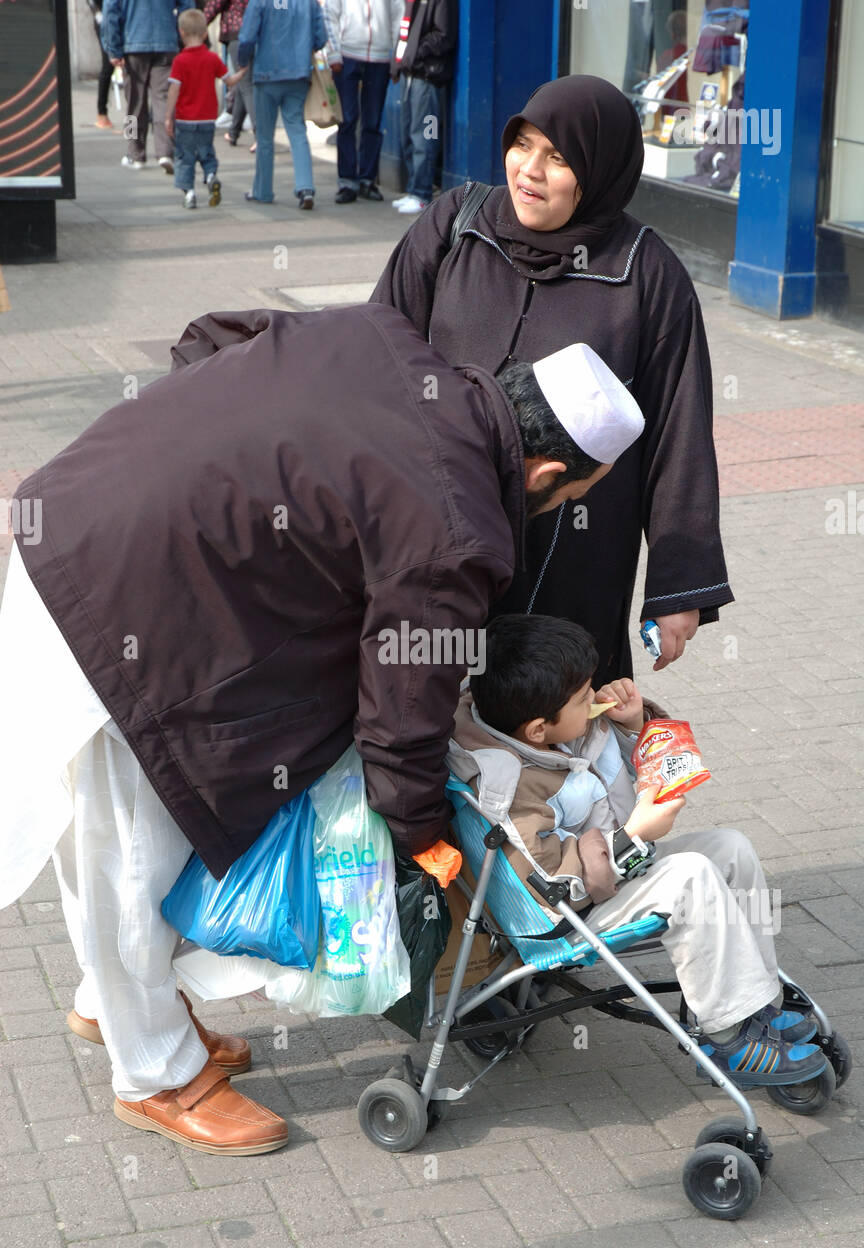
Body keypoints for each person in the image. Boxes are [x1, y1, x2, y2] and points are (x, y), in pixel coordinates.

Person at [0, 323, 638, 1156]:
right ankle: (154, 1072)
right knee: (128, 842)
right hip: (110, 602)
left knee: (150, 829)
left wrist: (198, 458)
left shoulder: (392, 342)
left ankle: (113, 1001)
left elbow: (211, 337)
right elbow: (403, 715)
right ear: (547, 472)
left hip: (87, 508)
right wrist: (424, 838)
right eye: (569, 497)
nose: (558, 511)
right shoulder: (457, 525)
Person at [371, 75, 734, 687]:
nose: (528, 171)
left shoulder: (646, 275)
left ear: (599, 169)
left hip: (577, 548)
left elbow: (681, 433)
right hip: (439, 535)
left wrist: (679, 586)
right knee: (429, 708)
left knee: (556, 721)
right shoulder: (455, 226)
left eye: (558, 157)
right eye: (522, 145)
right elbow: (377, 357)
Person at [451, 611, 827, 1088]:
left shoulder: (541, 721)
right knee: (689, 876)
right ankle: (729, 1034)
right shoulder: (504, 784)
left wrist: (633, 725)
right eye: (585, 696)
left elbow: (622, 774)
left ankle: (757, 1004)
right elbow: (547, 882)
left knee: (730, 848)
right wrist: (635, 837)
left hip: (608, 873)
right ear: (538, 730)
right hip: (565, 915)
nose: (595, 698)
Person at [235, 0, 328, 208]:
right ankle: (306, 188)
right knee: (297, 130)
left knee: (265, 137)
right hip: (298, 74)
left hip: (267, 74)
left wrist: (243, 61)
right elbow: (321, 37)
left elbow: (247, 37)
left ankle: (263, 191)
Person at [324, 0, 403, 204]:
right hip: (347, 55)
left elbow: (398, 16)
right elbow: (329, 15)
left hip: (380, 58)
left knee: (373, 122)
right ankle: (347, 181)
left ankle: (367, 180)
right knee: (347, 120)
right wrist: (333, 54)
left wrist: (396, 58)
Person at [391, 0, 457, 215]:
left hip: (427, 77)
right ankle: (414, 189)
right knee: (408, 135)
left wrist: (416, 52)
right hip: (410, 73)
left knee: (425, 137)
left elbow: (444, 35)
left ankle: (422, 193)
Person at [101, 0, 179, 173]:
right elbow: (186, 4)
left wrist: (113, 48)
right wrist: (181, 36)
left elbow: (110, 11)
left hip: (133, 42)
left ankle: (134, 153)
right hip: (166, 40)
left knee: (133, 104)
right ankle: (166, 151)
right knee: (164, 101)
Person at [165, 10, 228, 210]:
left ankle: (189, 193)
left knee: (185, 157)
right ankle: (210, 176)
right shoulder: (212, 58)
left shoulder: (180, 61)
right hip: (208, 118)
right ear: (204, 34)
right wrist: (243, 71)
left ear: (181, 32)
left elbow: (174, 90)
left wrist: (168, 116)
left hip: (185, 119)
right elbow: (229, 80)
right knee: (207, 152)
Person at [203, 0, 257, 148]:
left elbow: (215, 4)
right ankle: (234, 131)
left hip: (237, 33)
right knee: (242, 83)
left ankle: (260, 136)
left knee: (246, 84)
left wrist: (198, 25)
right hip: (257, 31)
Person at [87, 0, 117, 130]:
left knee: (133, 86)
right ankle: (102, 113)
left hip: (119, 23)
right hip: (110, 22)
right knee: (108, 66)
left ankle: (133, 135)